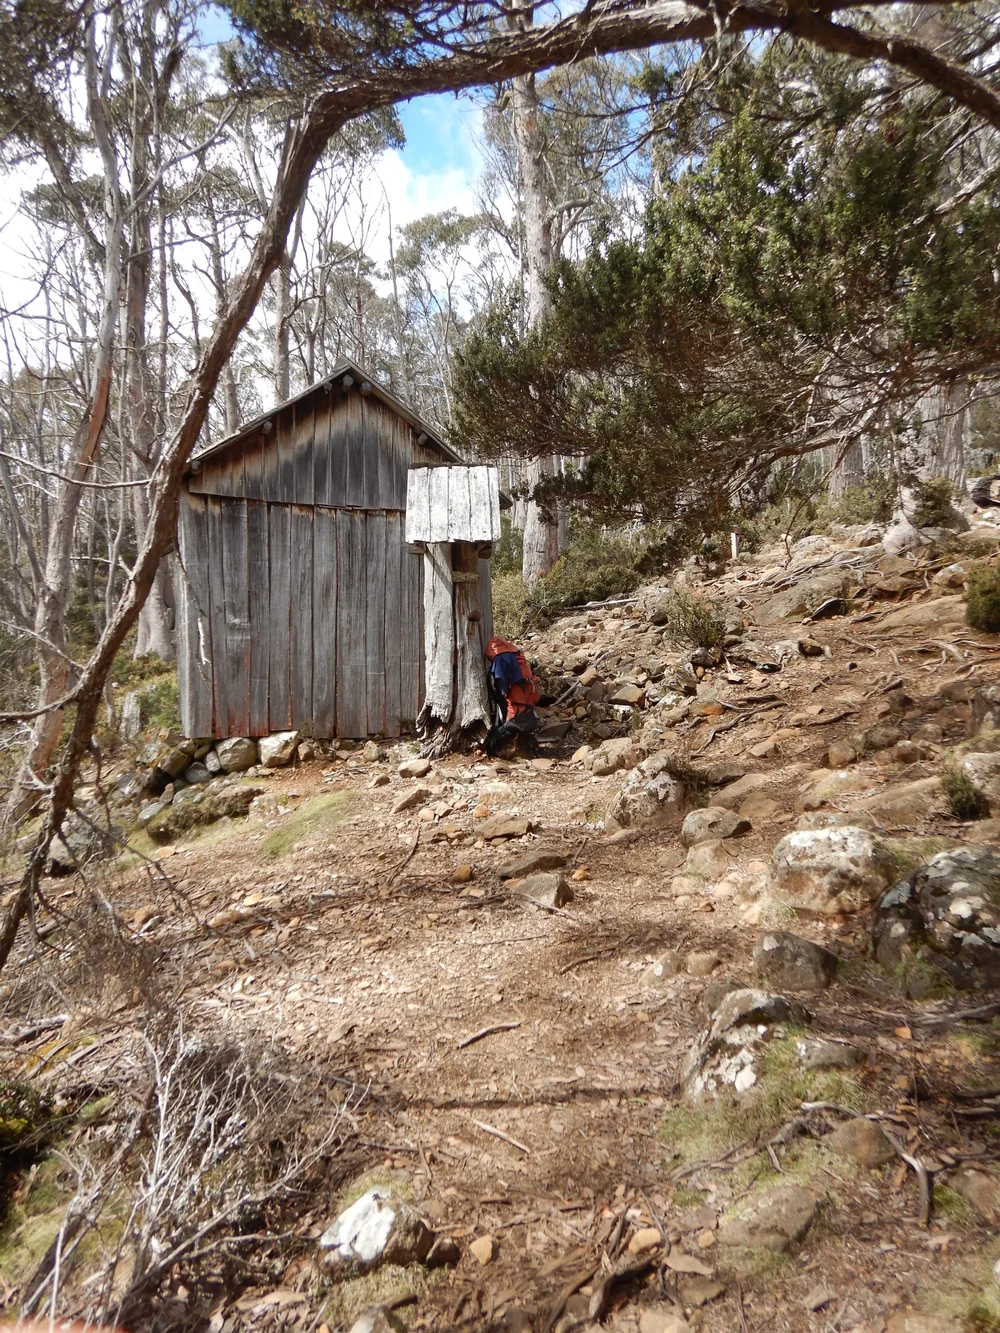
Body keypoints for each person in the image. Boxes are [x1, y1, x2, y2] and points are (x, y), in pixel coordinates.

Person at [484, 635, 542, 757]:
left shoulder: (502, 657)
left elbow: (503, 683)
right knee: (515, 720)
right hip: (522, 705)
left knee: (510, 724)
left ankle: (492, 748)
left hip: (516, 707)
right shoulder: (515, 655)